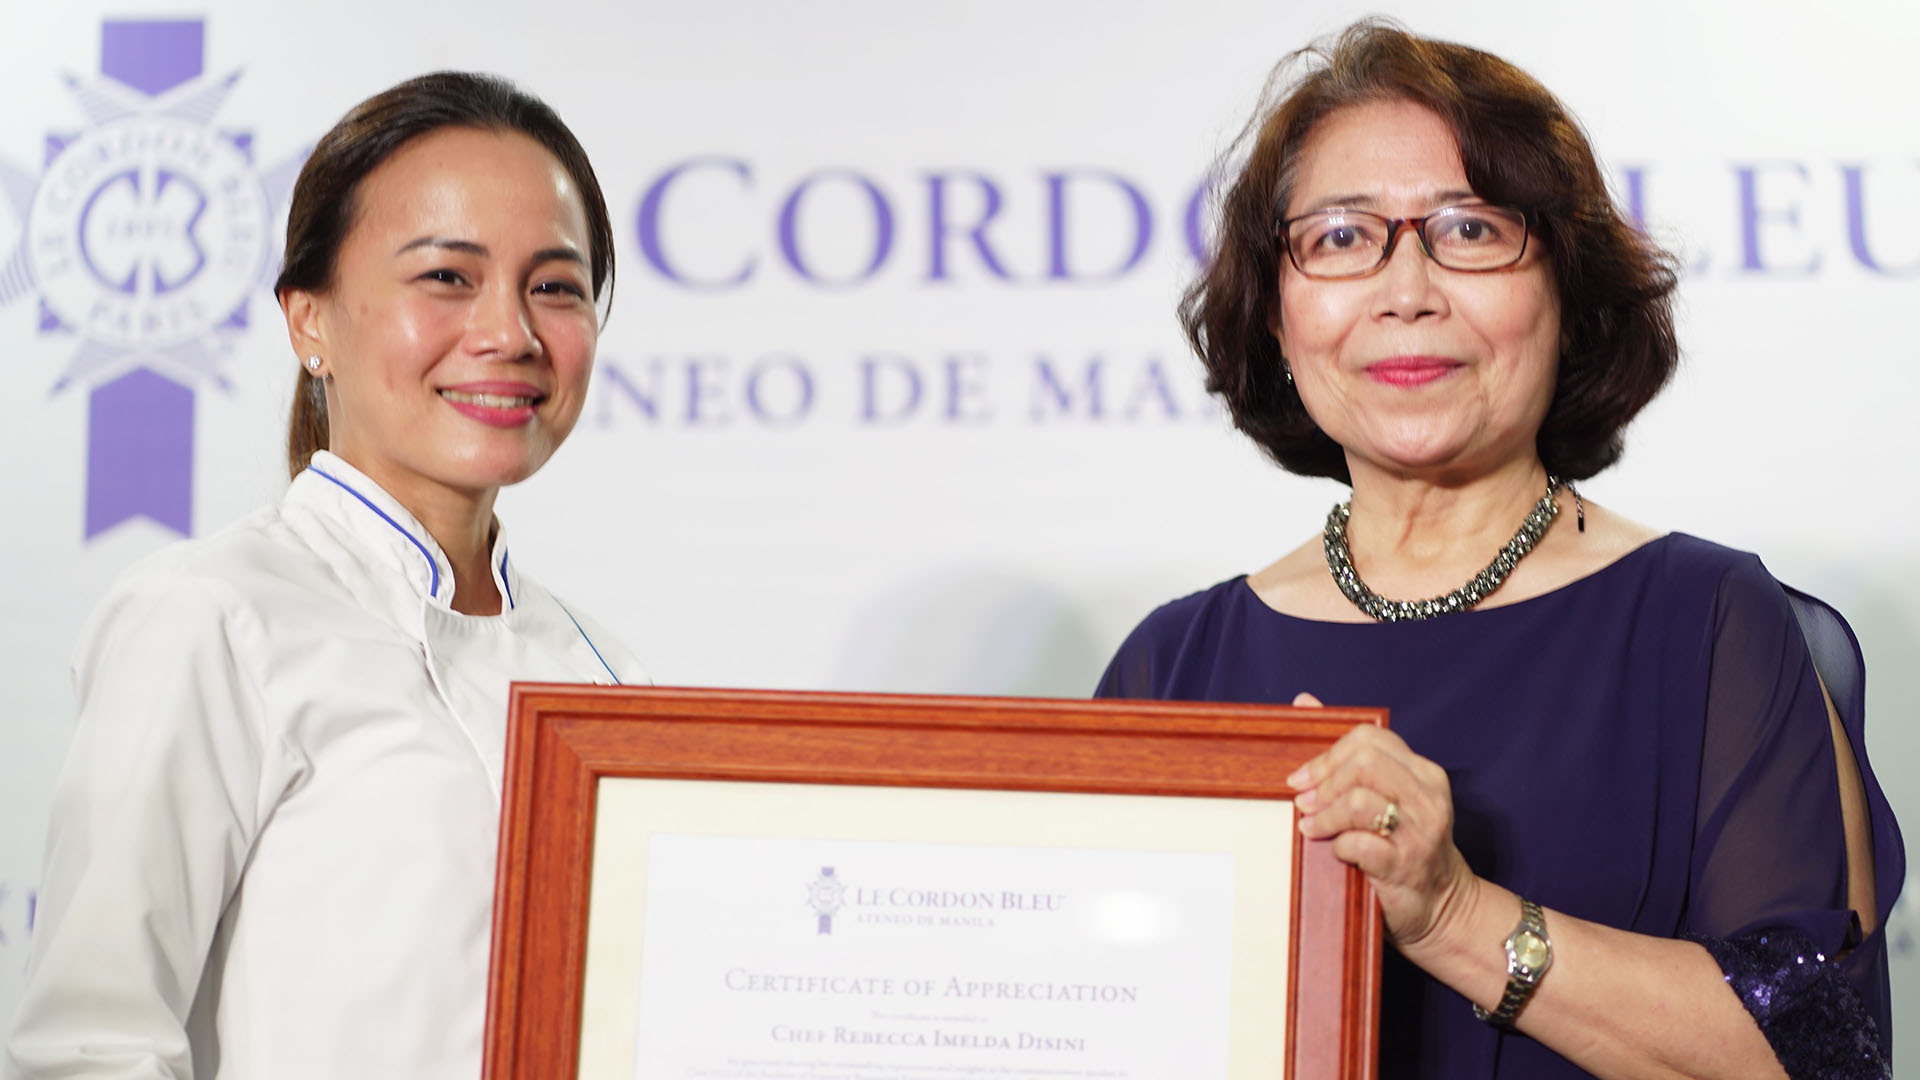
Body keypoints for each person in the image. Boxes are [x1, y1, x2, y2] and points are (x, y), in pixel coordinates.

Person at [1095, 21, 1901, 1080]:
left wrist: (1453, 917)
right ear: (1280, 320)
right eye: (1341, 238)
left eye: (1470, 230)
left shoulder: (1709, 624)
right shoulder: (1174, 667)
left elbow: (1814, 1059)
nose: (1406, 289)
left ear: (1566, 295)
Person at [5, 72, 646, 1079]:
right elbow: (91, 1047)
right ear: (309, 322)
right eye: (447, 277)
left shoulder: (602, 670)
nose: (511, 333)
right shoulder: (214, 618)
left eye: (555, 286)